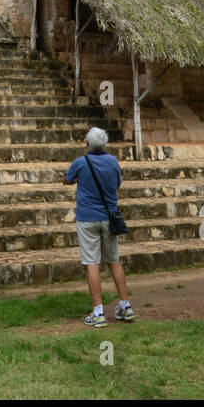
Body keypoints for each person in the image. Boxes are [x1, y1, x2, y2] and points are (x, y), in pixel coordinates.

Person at [64, 128, 135, 327]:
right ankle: (125, 306)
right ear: (104, 143)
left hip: (87, 218)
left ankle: (98, 312)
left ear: (87, 143)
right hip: (109, 217)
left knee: (92, 263)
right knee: (114, 260)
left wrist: (80, 180)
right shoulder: (113, 161)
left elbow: (66, 180)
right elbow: (117, 184)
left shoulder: (80, 163)